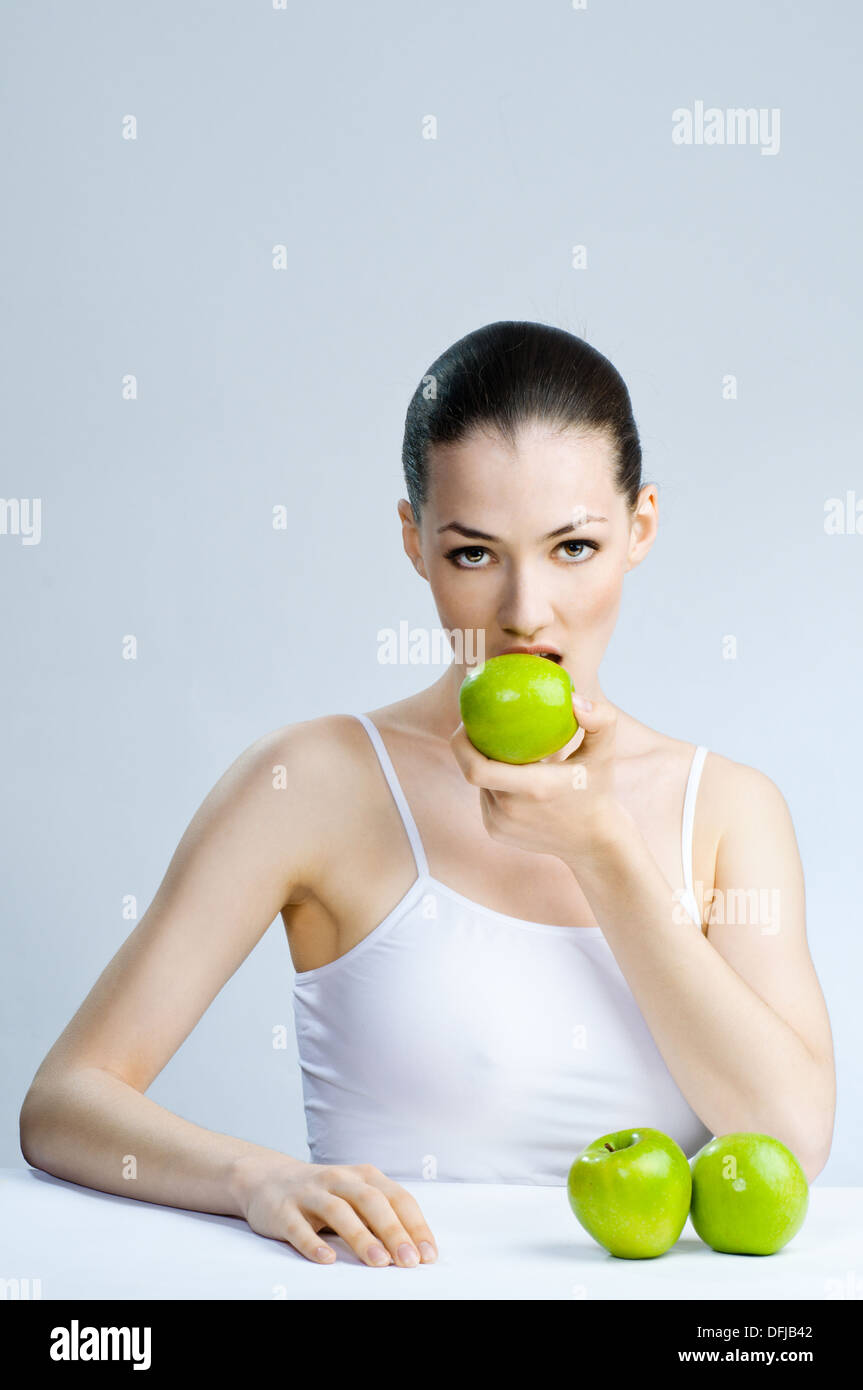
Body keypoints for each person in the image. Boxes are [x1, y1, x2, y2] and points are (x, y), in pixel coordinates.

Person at [19, 321, 836, 1271]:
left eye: (573, 547)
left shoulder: (727, 808)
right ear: (414, 541)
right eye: (474, 555)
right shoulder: (312, 782)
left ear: (639, 528)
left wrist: (602, 849)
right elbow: (66, 1101)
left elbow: (790, 1142)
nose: (526, 613)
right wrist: (254, 1179)